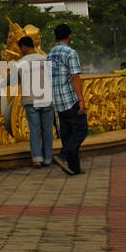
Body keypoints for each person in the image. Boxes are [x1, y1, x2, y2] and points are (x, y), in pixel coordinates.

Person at [47, 23, 87, 175]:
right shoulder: (70, 52)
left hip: (57, 100)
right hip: (70, 99)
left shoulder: (50, 54)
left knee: (68, 133)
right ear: (70, 36)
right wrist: (81, 99)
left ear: (55, 37)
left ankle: (73, 167)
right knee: (81, 130)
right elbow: (75, 77)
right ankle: (63, 156)